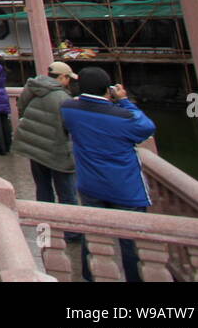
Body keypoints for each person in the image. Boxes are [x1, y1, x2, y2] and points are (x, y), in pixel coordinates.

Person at [60, 67, 156, 282]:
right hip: (125, 185)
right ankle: (135, 277)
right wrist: (124, 100)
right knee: (131, 239)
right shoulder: (123, 116)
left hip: (89, 182)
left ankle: (89, 274)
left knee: (92, 232)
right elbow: (147, 127)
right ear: (108, 89)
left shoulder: (68, 109)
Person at [12, 61, 82, 241]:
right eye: (68, 78)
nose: (69, 82)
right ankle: (72, 231)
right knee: (67, 193)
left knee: (43, 188)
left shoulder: (33, 88)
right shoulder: (63, 98)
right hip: (57, 149)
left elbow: (21, 109)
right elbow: (71, 126)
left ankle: (44, 227)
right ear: (62, 77)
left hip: (35, 146)